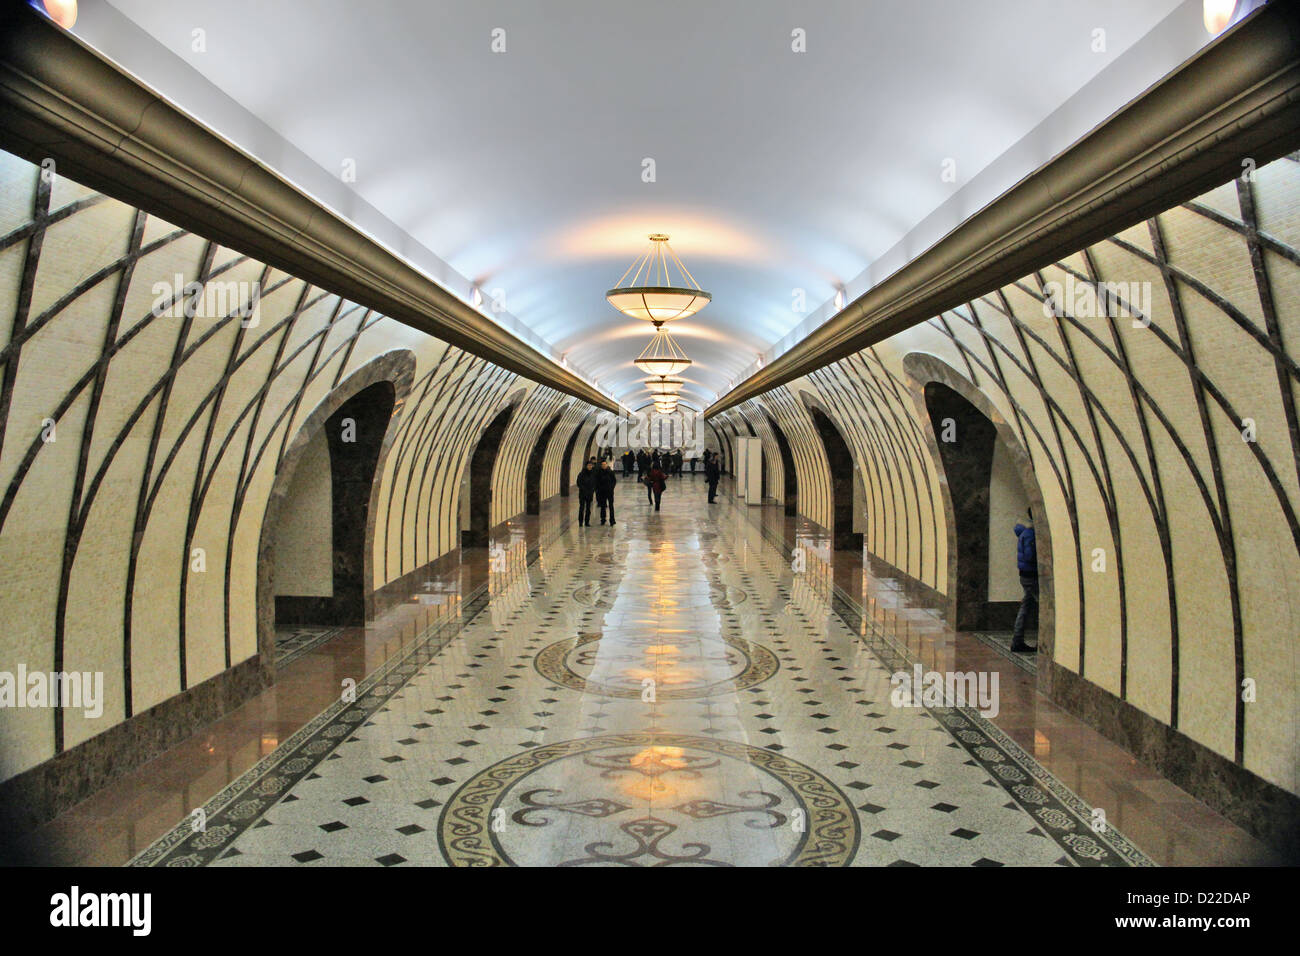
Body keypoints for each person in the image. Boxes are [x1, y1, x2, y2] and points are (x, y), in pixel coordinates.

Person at [1012, 509, 1038, 652]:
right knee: (1044, 609)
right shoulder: (1030, 535)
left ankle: (1017, 640)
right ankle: (1046, 644)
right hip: (1031, 576)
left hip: (1025, 575)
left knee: (1026, 607)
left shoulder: (1023, 532)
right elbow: (1029, 556)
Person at [596, 458, 617, 526]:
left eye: (605, 464)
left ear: (607, 465)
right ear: (601, 465)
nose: (604, 466)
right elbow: (597, 482)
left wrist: (611, 488)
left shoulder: (610, 472)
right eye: (602, 465)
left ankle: (612, 520)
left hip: (609, 492)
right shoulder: (599, 473)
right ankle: (603, 519)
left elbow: (614, 481)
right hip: (602, 492)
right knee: (603, 506)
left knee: (611, 506)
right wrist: (598, 489)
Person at [576, 459, 596, 527]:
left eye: (591, 465)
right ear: (586, 466)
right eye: (589, 465)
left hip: (590, 494)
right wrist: (584, 489)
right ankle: (580, 522)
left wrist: (592, 490)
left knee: (588, 508)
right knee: (581, 508)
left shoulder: (593, 474)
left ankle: (587, 522)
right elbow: (578, 483)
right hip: (582, 494)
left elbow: (595, 483)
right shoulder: (581, 474)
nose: (590, 466)